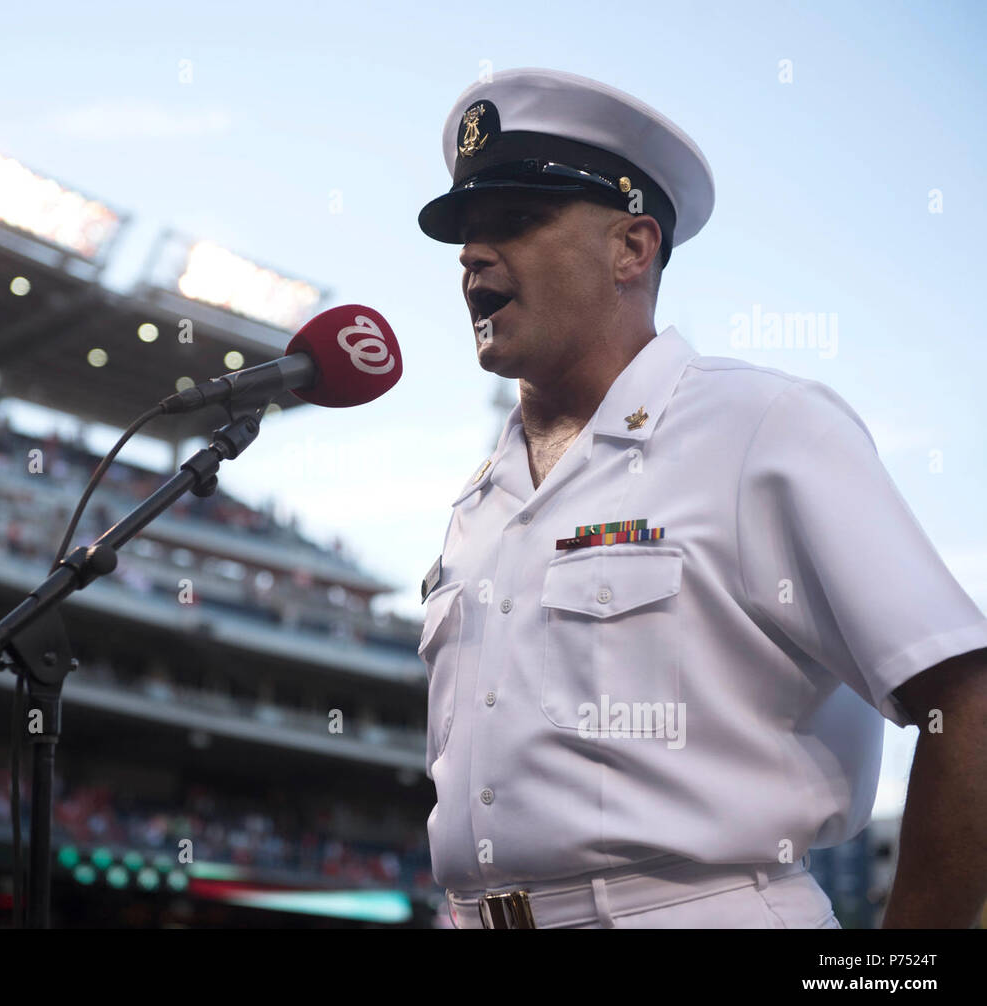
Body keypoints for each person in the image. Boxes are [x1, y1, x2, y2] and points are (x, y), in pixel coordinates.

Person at [415, 68, 987, 929]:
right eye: (466, 232)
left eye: (517, 222)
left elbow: (967, 703)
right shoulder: (478, 500)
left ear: (632, 248)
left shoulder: (763, 425)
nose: (472, 256)